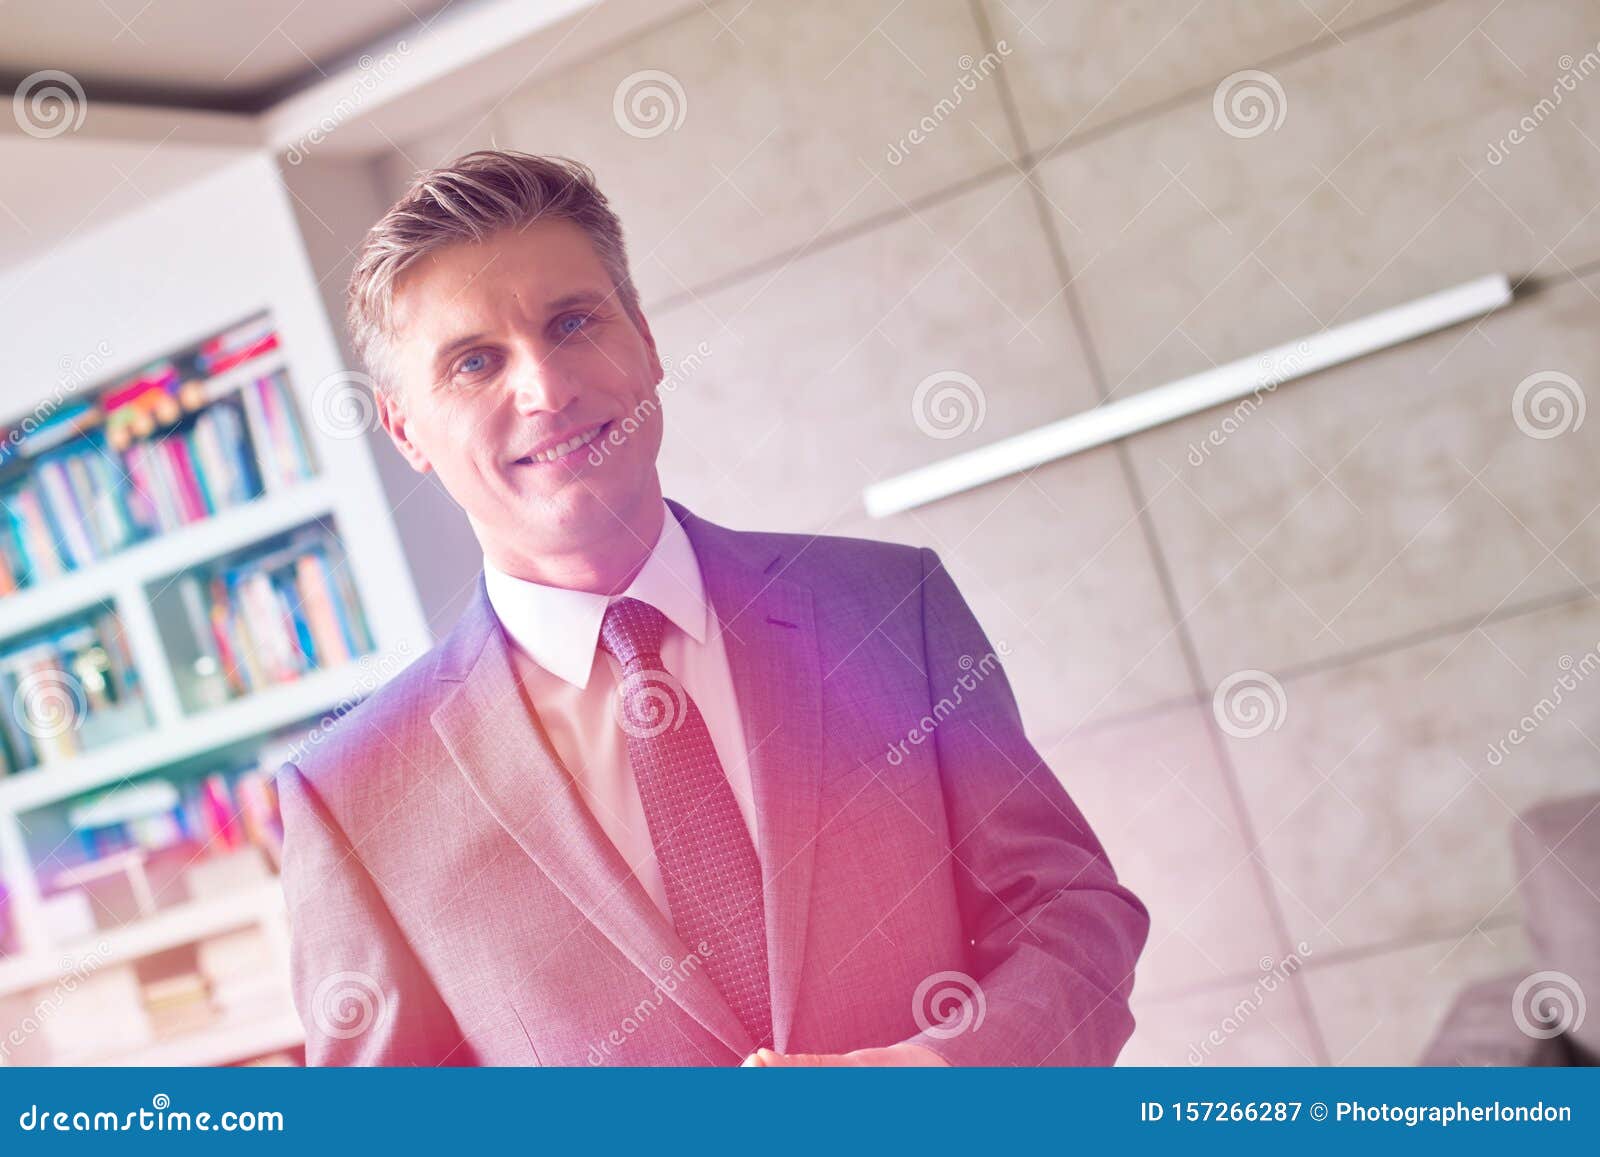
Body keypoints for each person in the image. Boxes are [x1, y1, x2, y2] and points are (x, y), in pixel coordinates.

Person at [277, 150, 1149, 1066]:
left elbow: (1069, 913)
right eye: (474, 362)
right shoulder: (356, 794)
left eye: (573, 321)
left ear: (645, 342)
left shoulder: (890, 609)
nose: (544, 388)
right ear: (407, 429)